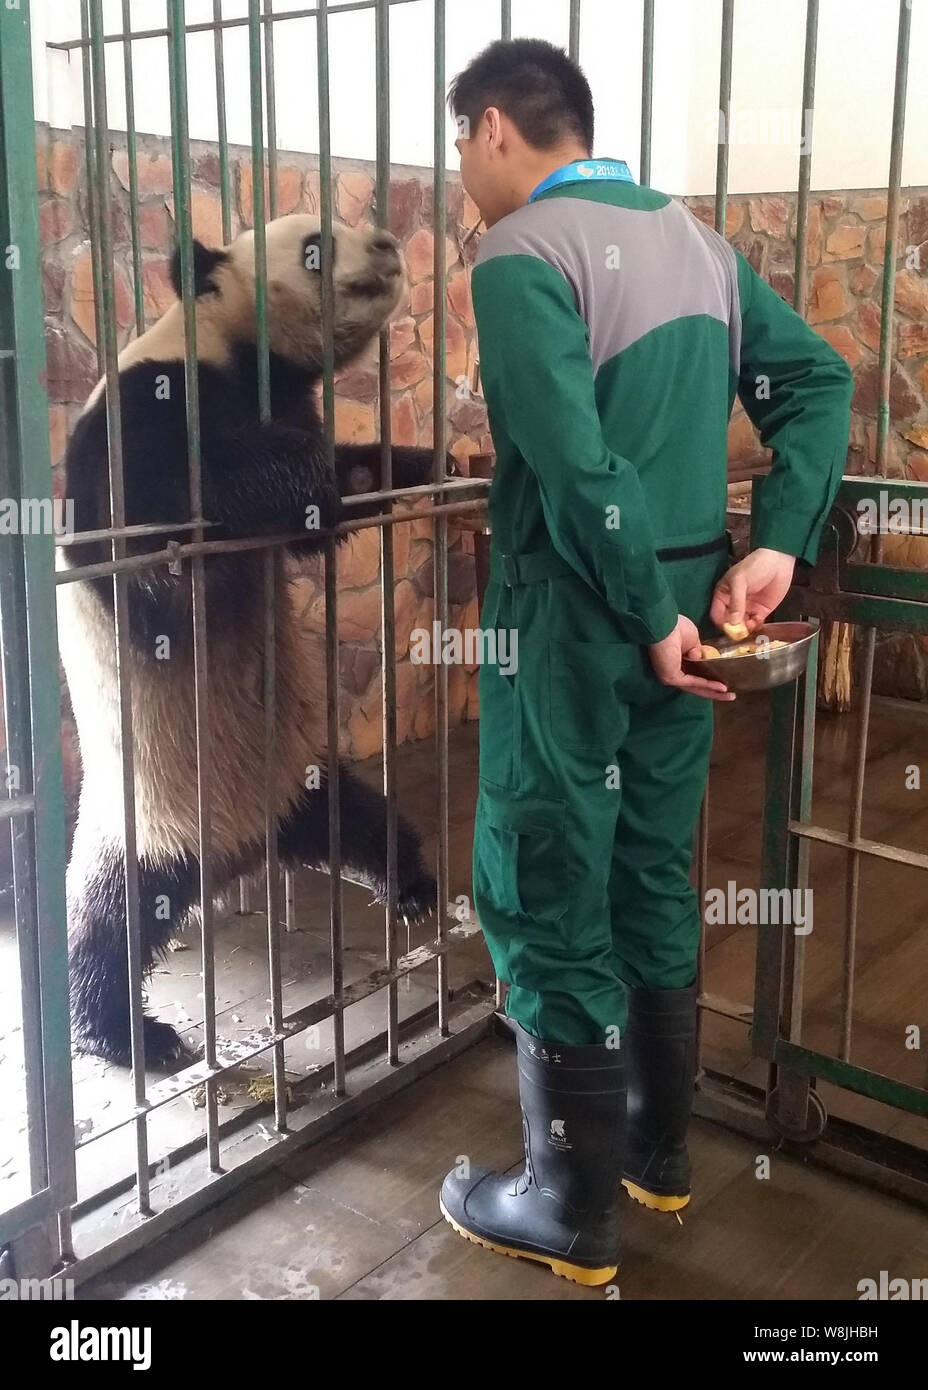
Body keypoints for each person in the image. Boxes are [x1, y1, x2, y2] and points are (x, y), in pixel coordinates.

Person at [438, 38, 853, 1286]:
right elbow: (816, 380)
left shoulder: (519, 255)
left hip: (576, 615)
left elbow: (567, 462)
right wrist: (775, 547)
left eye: (461, 143)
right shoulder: (698, 244)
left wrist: (632, 606)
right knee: (650, 874)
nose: (463, 170)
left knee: (543, 878)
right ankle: (656, 1158)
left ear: (498, 125)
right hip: (694, 606)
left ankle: (564, 1209)